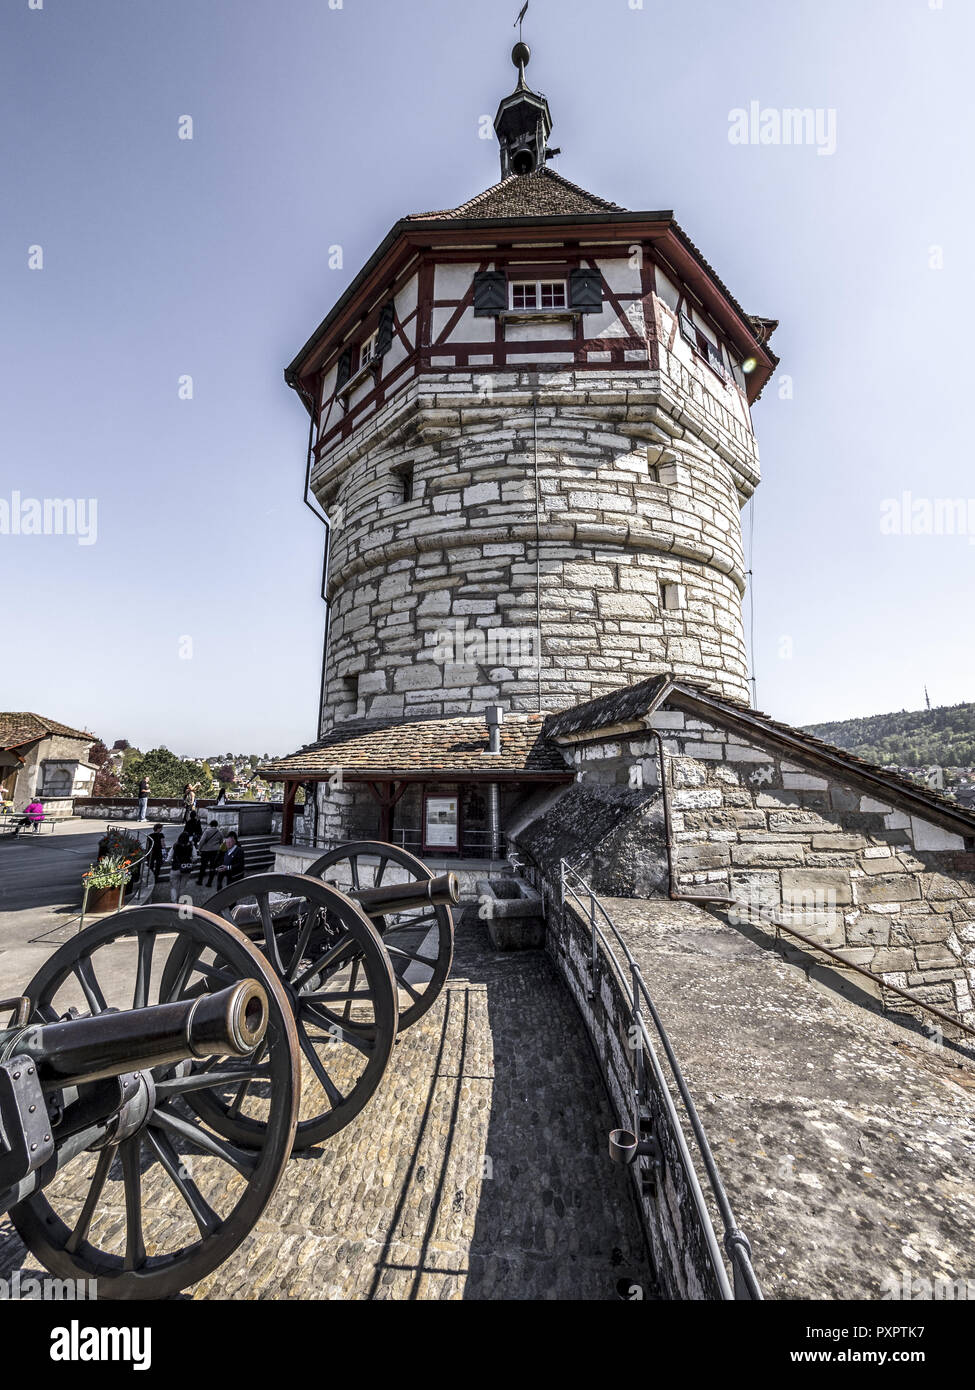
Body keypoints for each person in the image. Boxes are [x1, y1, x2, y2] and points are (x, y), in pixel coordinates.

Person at [196, 820, 224, 887]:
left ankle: (200, 881)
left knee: (203, 866)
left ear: (210, 824)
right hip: (215, 851)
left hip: (206, 851)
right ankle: (209, 882)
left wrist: (199, 849)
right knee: (212, 867)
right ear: (216, 825)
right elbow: (221, 842)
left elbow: (202, 841)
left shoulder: (207, 831)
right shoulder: (219, 832)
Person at [170, 830, 194, 903]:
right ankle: (181, 900)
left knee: (174, 886)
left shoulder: (175, 845)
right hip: (186, 868)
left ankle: (174, 900)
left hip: (175, 867)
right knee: (183, 886)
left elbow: (169, 856)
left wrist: (170, 861)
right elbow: (195, 857)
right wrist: (190, 860)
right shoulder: (191, 846)